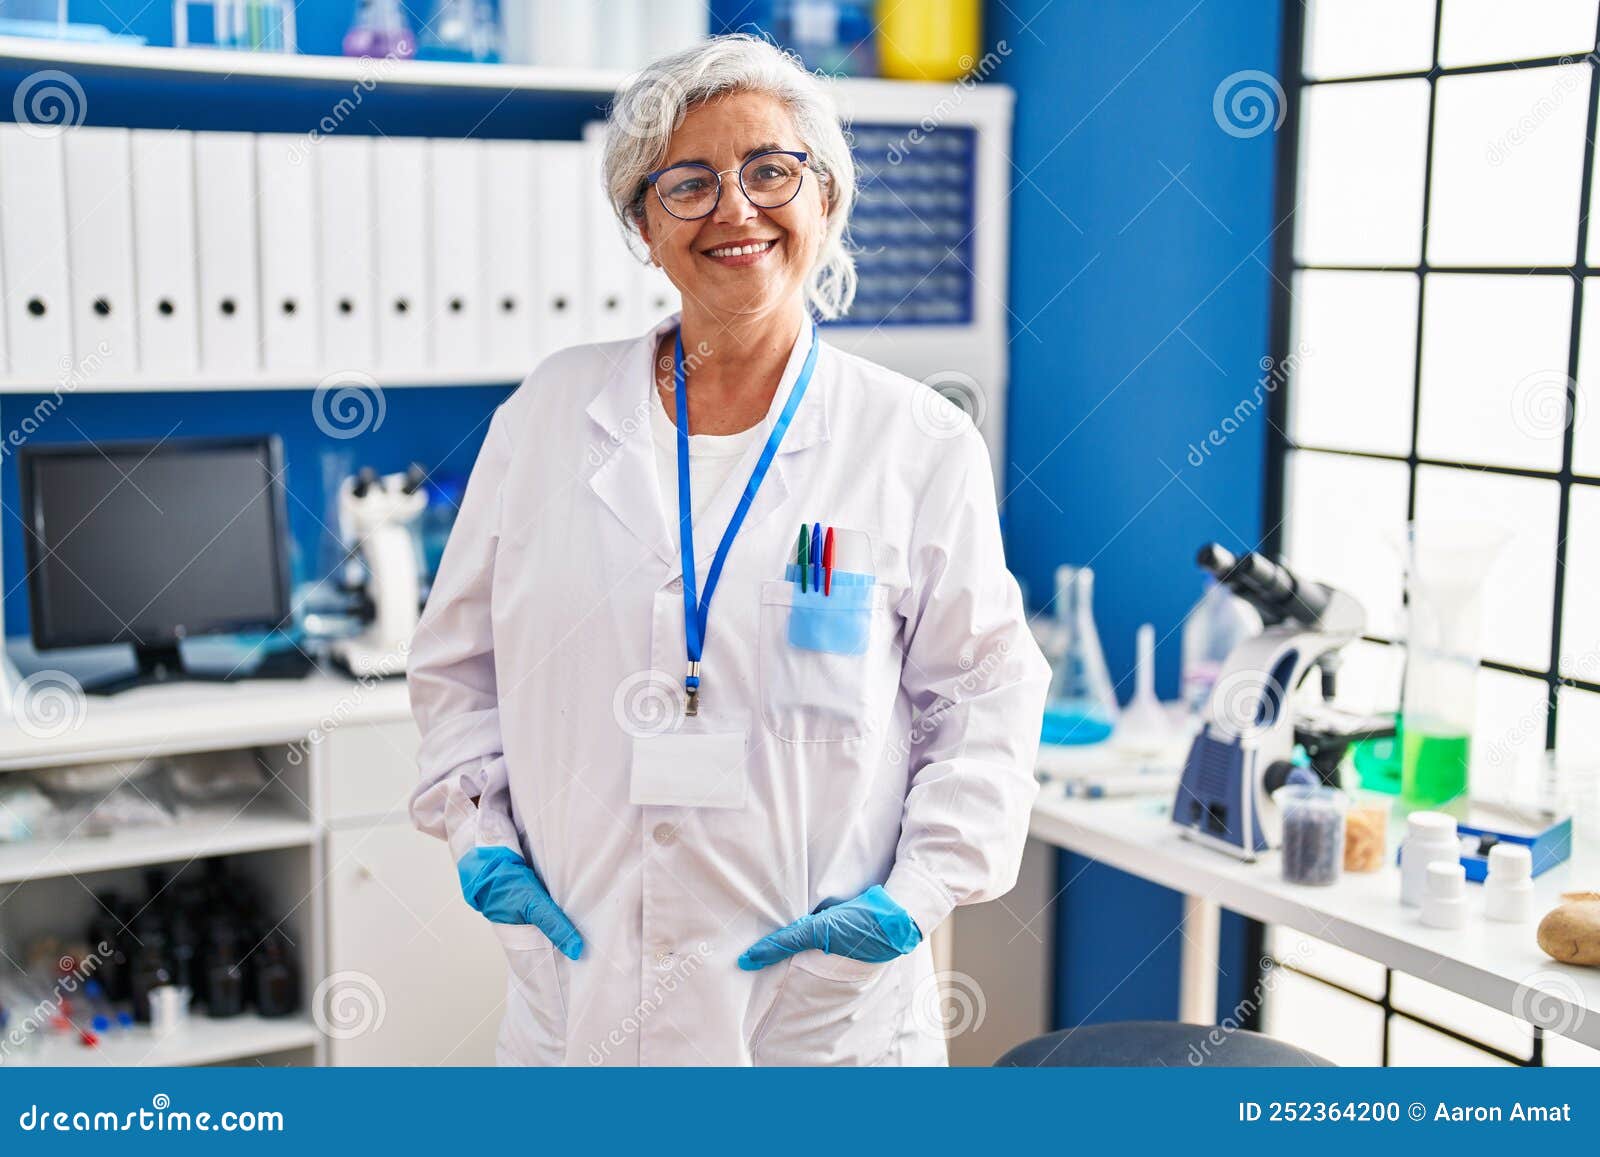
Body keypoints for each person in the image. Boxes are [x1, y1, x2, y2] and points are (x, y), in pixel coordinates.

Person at [408, 33, 1048, 1066]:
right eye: (688, 183)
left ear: (828, 199)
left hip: (819, 1018)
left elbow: (983, 703)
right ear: (642, 225)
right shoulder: (546, 417)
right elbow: (453, 667)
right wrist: (482, 842)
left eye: (769, 171)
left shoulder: (917, 442)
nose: (734, 209)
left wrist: (914, 896)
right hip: (581, 990)